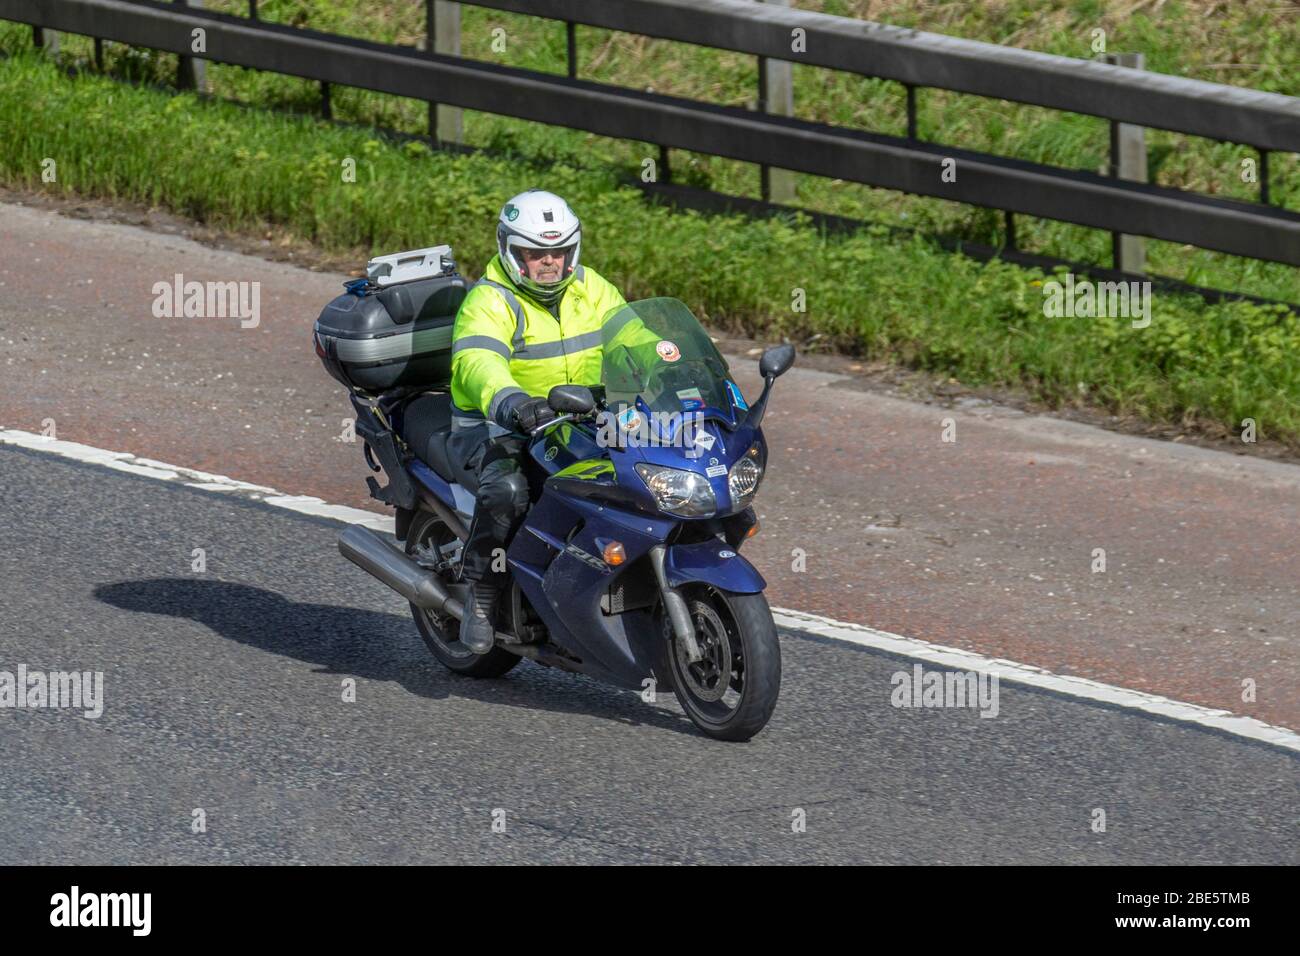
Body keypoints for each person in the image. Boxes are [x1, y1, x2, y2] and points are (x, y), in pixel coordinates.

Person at [447, 189, 627, 652]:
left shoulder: (593, 288)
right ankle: (482, 592)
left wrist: (675, 370)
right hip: (497, 430)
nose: (548, 263)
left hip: (579, 423)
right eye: (535, 253)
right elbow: (477, 363)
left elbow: (636, 338)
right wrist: (513, 402)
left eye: (558, 252)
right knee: (509, 492)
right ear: (510, 251)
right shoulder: (490, 301)